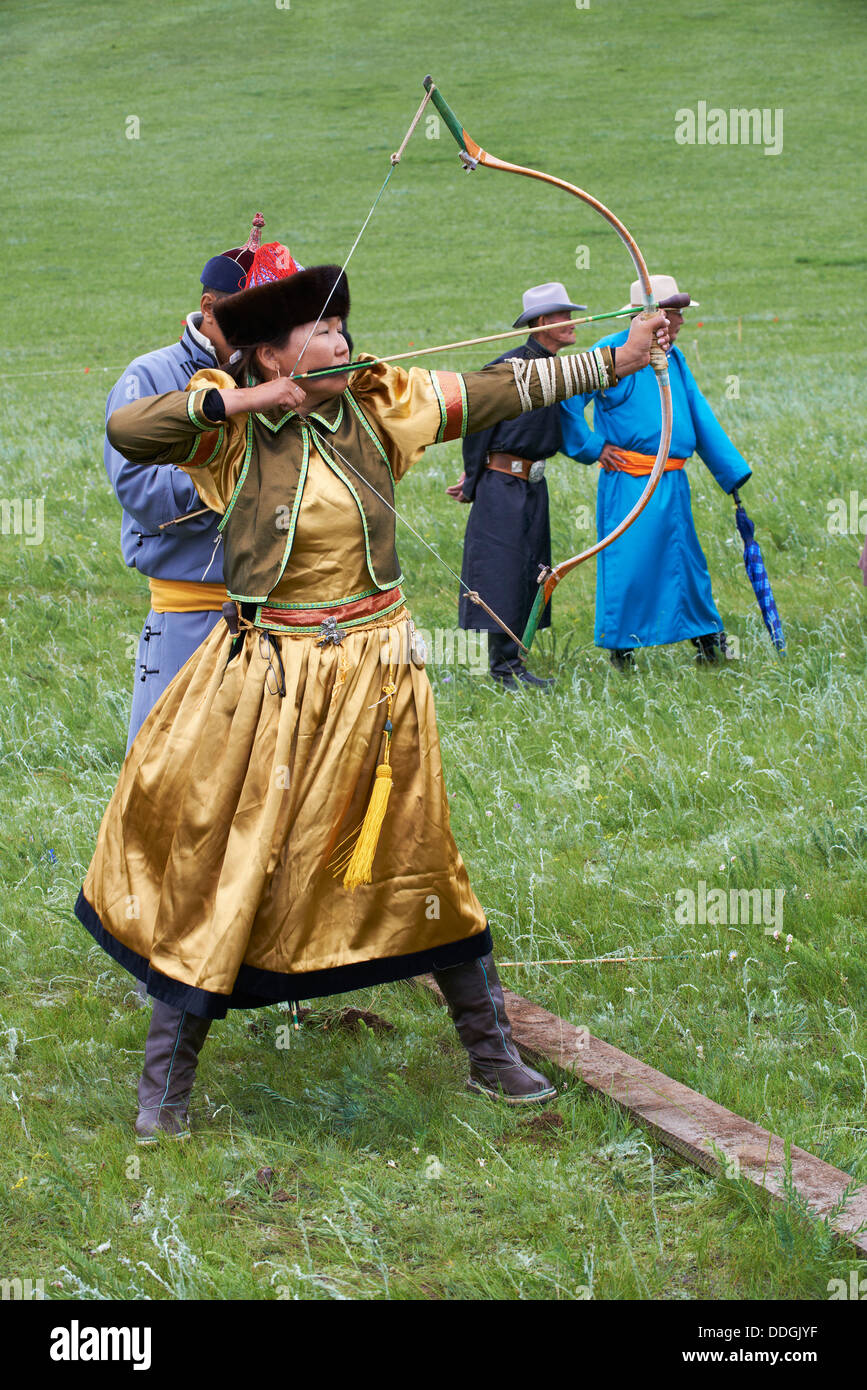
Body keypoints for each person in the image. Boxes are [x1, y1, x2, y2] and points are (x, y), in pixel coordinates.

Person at [75, 263, 668, 1136]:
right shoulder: (227, 432)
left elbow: (506, 386)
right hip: (272, 678)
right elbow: (131, 428)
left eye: (343, 325)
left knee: (419, 849)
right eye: (320, 330)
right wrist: (242, 402)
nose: (342, 339)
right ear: (272, 353)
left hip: (378, 675)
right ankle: (165, 1085)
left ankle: (488, 1049)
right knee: (230, 858)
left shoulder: (381, 401)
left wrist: (622, 354)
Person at [105, 214, 273, 751]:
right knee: (168, 769)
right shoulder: (148, 377)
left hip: (267, 615)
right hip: (186, 615)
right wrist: (230, 477)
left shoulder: (268, 377)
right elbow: (141, 492)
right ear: (208, 307)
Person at [560, 274, 752, 669]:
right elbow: (565, 404)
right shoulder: (609, 352)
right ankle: (622, 649)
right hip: (630, 482)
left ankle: (707, 642)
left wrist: (731, 473)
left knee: (686, 563)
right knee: (631, 562)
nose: (681, 322)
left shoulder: (675, 357)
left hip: (673, 481)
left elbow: (697, 412)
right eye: (675, 314)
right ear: (652, 315)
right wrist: (595, 447)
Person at [452, 282, 587, 689]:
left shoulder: (555, 370)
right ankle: (504, 669)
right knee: (503, 572)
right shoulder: (509, 369)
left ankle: (514, 661)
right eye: (565, 316)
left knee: (530, 569)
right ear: (543, 322)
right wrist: (474, 479)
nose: (572, 322)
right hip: (502, 486)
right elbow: (476, 425)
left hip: (532, 486)